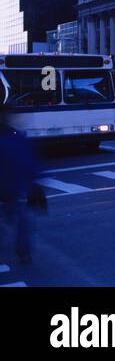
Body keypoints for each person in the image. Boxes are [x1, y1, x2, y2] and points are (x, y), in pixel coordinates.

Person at [0, 105, 40, 264]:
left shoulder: (15, 136)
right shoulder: (15, 137)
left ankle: (23, 251)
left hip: (10, 188)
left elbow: (28, 163)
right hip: (11, 188)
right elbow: (28, 163)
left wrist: (33, 186)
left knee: (21, 219)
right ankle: (23, 252)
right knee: (21, 219)